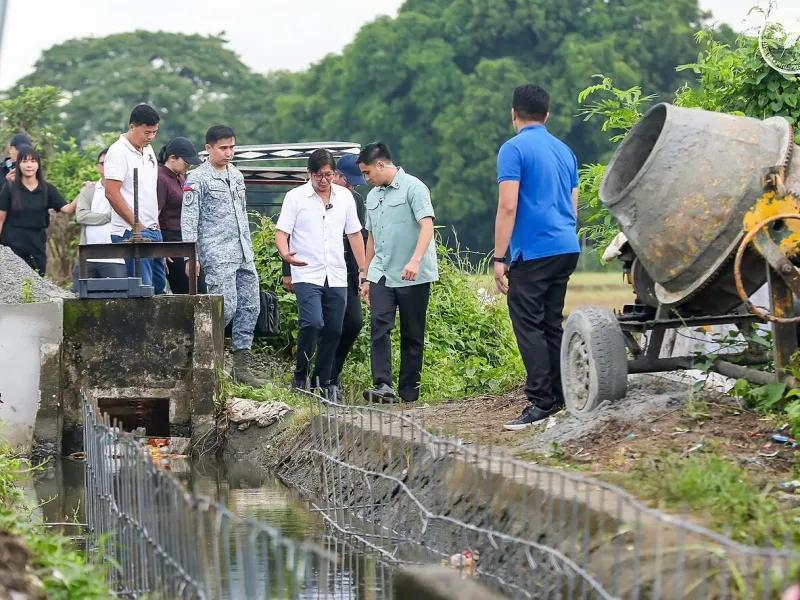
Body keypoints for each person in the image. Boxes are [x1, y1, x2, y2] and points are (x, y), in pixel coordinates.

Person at [493, 84, 581, 431]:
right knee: (550, 322)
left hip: (534, 250)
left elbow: (508, 204)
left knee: (528, 324)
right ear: (547, 115)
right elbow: (573, 205)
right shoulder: (565, 150)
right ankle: (562, 393)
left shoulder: (513, 150)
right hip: (566, 245)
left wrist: (500, 257)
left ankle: (542, 401)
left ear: (513, 113)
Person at [277, 149, 366, 397]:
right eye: (318, 175)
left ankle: (322, 380)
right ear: (309, 173)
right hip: (307, 271)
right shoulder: (295, 197)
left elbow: (355, 234)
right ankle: (300, 375)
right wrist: (285, 254)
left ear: (334, 174)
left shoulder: (346, 197)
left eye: (328, 175)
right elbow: (282, 232)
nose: (324, 180)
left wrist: (363, 269)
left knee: (335, 329)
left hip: (336, 272)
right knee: (313, 322)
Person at [182, 125, 266, 387]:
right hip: (217, 253)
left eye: (232, 147)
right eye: (223, 148)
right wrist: (190, 255)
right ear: (208, 149)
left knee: (251, 306)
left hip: (243, 251)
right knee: (225, 307)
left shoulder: (237, 175)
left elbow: (242, 213)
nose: (229, 153)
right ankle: (209, 363)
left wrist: (249, 248)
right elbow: (189, 218)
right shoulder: (197, 178)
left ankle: (241, 367)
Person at [357, 142, 438, 403]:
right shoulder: (372, 196)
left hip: (411, 273)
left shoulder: (414, 188)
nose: (366, 178)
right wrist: (367, 275)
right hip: (381, 272)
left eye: (368, 172)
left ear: (381, 165)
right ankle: (383, 385)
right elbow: (371, 237)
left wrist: (415, 261)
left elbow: (426, 226)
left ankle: (409, 391)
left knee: (412, 333)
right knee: (380, 327)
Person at [104, 104, 166, 293]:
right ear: (132, 127)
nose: (151, 137)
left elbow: (148, 192)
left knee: (160, 286)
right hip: (130, 231)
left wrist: (155, 225)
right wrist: (136, 224)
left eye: (154, 132)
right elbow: (111, 192)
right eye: (147, 132)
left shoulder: (148, 149)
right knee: (143, 290)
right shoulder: (118, 152)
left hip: (153, 228)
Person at [0, 145, 76, 275]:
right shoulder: (9, 189)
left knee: (37, 283)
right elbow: (0, 219)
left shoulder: (47, 189)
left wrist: (84, 193)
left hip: (36, 245)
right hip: (12, 245)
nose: (29, 165)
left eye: (33, 161)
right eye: (25, 161)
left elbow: (67, 209)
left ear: (38, 165)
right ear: (18, 165)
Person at [156, 136, 206, 294]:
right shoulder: (161, 179)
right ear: (172, 157)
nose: (188, 166)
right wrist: (159, 249)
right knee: (188, 291)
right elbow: (153, 216)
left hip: (185, 239)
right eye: (186, 162)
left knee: (199, 289)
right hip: (170, 240)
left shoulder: (180, 177)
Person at [74, 147, 126, 281]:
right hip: (88, 256)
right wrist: (108, 217)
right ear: (98, 167)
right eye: (103, 163)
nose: (106, 167)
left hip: (116, 259)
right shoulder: (89, 189)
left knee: (116, 299)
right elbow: (81, 216)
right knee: (80, 298)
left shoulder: (126, 189)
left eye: (110, 163)